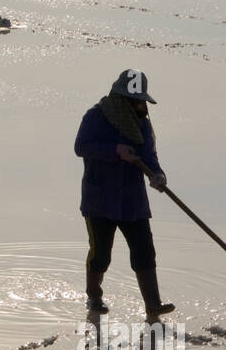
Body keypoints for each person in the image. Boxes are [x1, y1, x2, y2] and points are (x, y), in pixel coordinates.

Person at [73, 69, 175, 318]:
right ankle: (94, 297)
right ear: (121, 97)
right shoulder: (96, 116)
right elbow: (81, 147)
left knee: (144, 250)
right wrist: (115, 150)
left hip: (132, 201)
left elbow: (149, 154)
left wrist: (157, 174)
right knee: (101, 255)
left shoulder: (141, 121)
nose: (140, 104)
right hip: (100, 201)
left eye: (141, 100)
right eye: (136, 99)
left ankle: (153, 305)